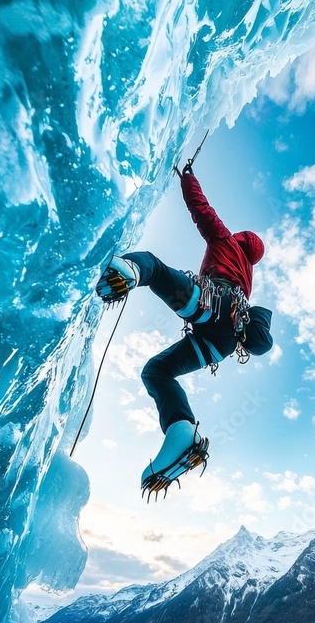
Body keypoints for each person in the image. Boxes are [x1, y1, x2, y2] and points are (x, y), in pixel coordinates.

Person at [96, 161, 273, 500]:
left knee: (153, 267)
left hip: (212, 306)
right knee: (157, 372)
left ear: (241, 239)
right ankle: (181, 432)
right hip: (220, 343)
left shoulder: (226, 242)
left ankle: (127, 270)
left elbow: (202, 211)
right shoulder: (247, 275)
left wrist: (188, 178)